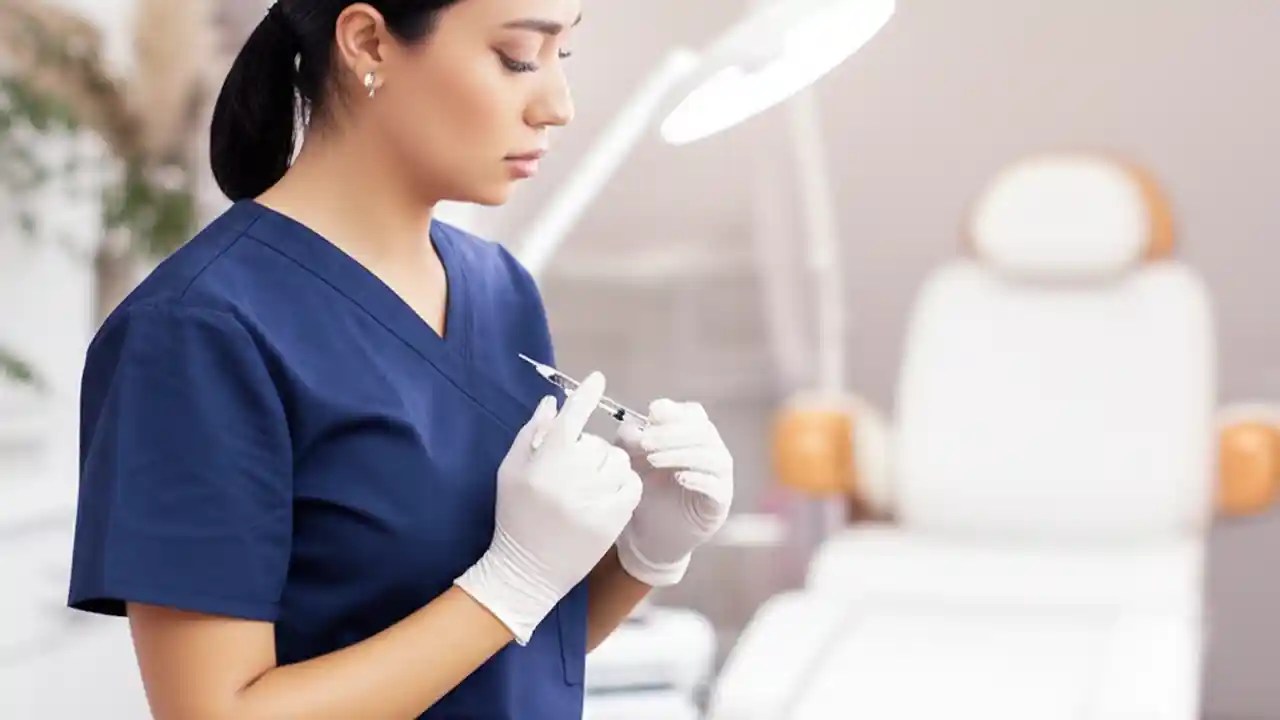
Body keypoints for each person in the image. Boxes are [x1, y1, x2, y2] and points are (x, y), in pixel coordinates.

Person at [65, 1, 735, 718]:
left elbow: (514, 662)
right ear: (368, 43)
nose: (557, 106)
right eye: (516, 58)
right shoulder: (197, 334)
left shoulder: (500, 289)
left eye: (560, 58)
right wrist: (506, 584)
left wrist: (644, 555)